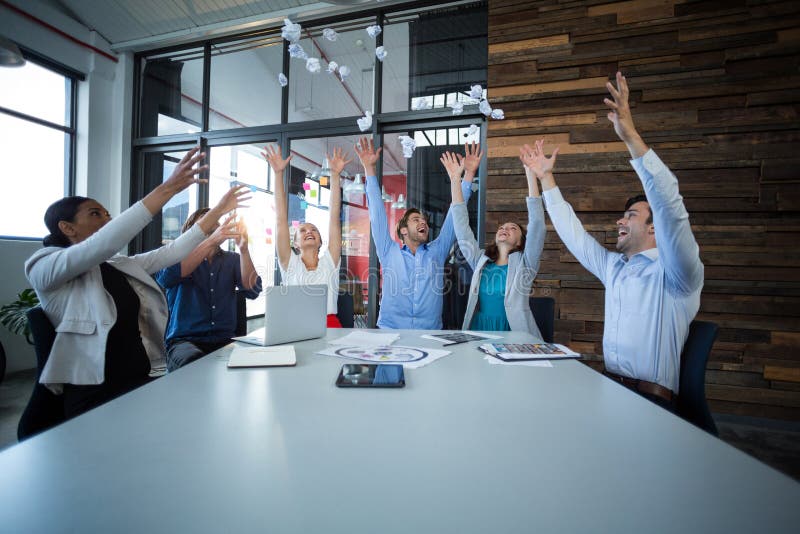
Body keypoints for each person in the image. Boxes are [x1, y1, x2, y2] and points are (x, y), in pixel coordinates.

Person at [25, 147, 250, 418]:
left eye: (107, 213)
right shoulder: (44, 266)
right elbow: (105, 241)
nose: (107, 219)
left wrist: (219, 211)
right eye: (96, 214)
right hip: (95, 392)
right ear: (67, 228)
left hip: (140, 380)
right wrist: (167, 189)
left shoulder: (116, 264)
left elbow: (173, 252)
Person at [525, 71, 704, 410]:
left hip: (653, 406)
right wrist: (546, 177)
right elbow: (573, 234)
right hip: (608, 393)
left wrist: (631, 137)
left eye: (632, 215)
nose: (621, 220)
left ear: (655, 229)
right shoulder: (615, 269)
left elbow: (670, 206)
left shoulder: (677, 276)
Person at [354, 136, 475, 330]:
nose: (423, 223)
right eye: (416, 220)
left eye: (424, 221)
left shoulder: (437, 251)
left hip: (429, 335)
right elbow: (376, 214)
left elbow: (455, 215)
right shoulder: (388, 252)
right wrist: (369, 170)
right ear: (403, 230)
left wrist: (468, 175)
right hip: (390, 334)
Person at [440, 142, 545, 336]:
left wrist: (531, 174)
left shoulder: (526, 264)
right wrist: (456, 179)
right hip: (479, 330)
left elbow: (537, 225)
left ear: (521, 242)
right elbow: (461, 227)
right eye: (502, 227)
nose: (505, 228)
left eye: (512, 228)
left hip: (512, 333)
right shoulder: (480, 260)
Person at [156, 207, 262, 372]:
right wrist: (211, 241)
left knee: (255, 365)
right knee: (195, 365)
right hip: (184, 342)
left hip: (225, 341)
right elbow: (166, 278)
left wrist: (243, 249)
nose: (213, 224)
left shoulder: (233, 259)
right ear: (191, 231)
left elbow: (253, 290)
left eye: (215, 221)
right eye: (206, 221)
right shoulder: (177, 256)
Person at [261, 145, 350, 327]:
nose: (309, 231)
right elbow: (280, 219)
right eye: (303, 230)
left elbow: (334, 216)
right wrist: (278, 174)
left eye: (314, 230)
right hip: (296, 324)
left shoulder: (330, 262)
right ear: (295, 244)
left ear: (320, 241)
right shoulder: (290, 263)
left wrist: (334, 176)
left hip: (329, 325)